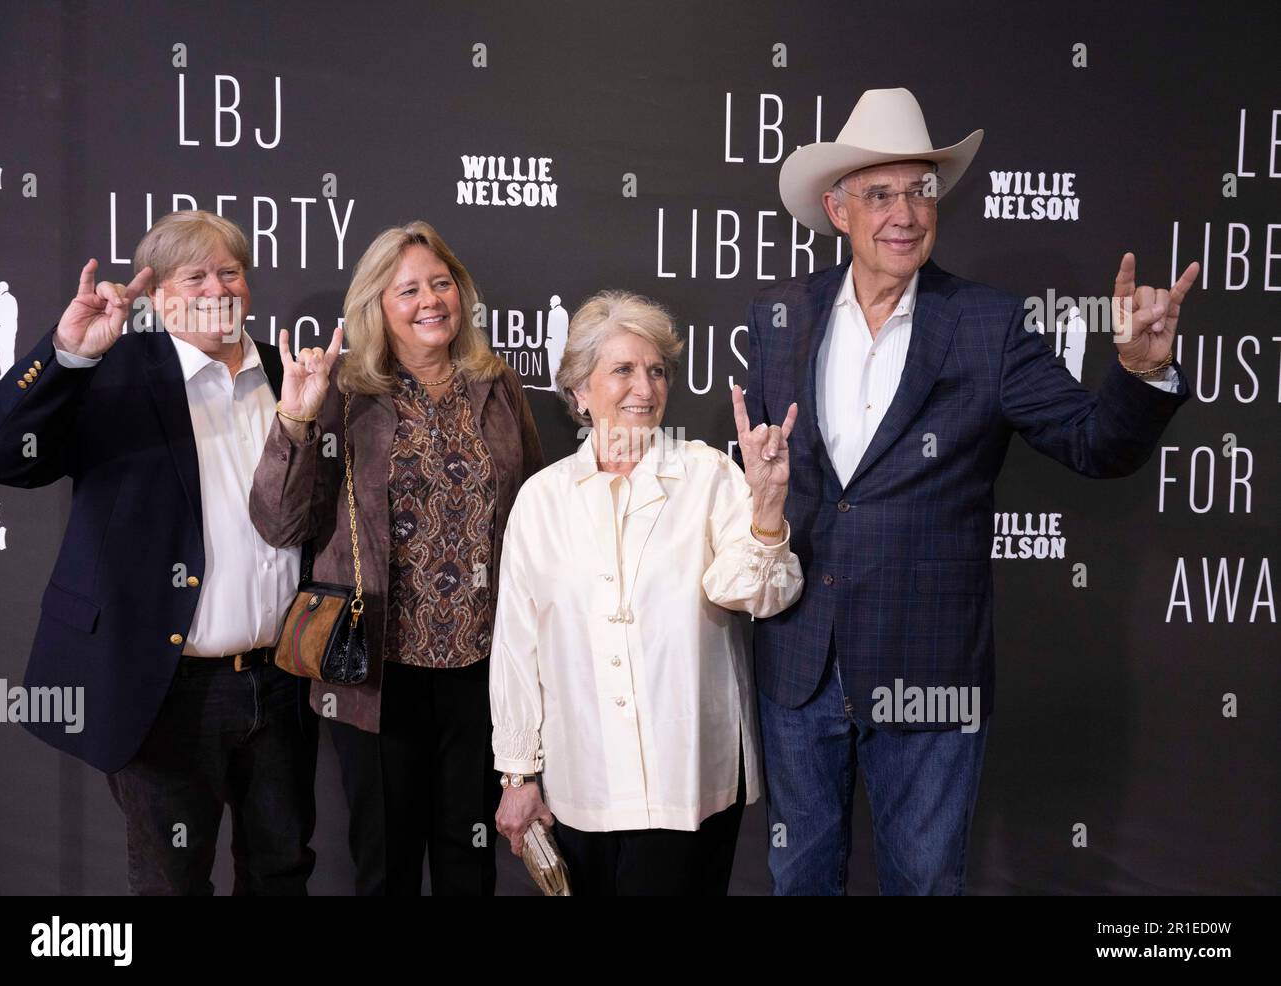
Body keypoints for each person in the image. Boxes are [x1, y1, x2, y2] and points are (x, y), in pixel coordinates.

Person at [745, 87, 1200, 895]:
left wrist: (1137, 370)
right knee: (798, 881)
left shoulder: (988, 325)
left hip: (930, 669)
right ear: (836, 209)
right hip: (799, 663)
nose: (906, 213)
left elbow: (1094, 446)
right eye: (881, 193)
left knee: (925, 884)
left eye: (921, 191)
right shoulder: (782, 316)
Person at [0, 210, 317, 895]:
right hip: (165, 689)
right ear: (159, 297)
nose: (216, 287)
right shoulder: (113, 374)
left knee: (282, 872)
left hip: (283, 685)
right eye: (194, 276)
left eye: (230, 271)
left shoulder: (292, 376)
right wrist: (70, 354)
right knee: (172, 883)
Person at [250, 220, 545, 895]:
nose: (429, 300)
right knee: (386, 861)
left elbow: (534, 514)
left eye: (440, 284)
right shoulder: (345, 394)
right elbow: (280, 519)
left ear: (461, 294)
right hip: (376, 672)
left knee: (469, 859)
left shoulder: (498, 386)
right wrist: (295, 420)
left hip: (482, 665)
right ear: (377, 307)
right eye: (407, 289)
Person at [491, 290, 803, 895]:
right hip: (580, 782)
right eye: (623, 369)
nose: (645, 386)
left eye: (657, 370)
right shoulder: (541, 499)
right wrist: (517, 774)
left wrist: (766, 506)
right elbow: (515, 649)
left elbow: (761, 594)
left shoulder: (709, 473)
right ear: (579, 392)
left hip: (688, 779)